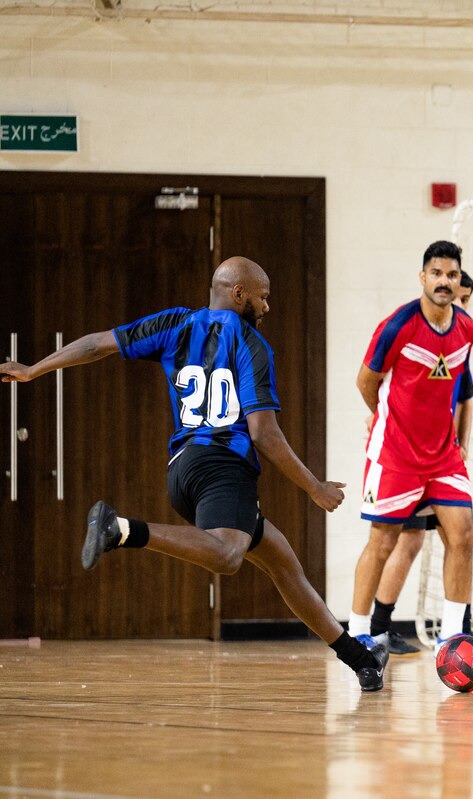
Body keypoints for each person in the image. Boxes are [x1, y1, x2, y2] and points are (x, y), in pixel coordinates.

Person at [0, 256, 390, 690]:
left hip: (183, 471)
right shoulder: (252, 344)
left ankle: (361, 659)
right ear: (239, 293)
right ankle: (122, 529)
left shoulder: (174, 324)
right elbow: (263, 432)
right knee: (227, 556)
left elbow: (96, 345)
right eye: (262, 298)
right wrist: (313, 487)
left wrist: (35, 369)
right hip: (224, 466)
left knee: (283, 564)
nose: (266, 308)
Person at [349, 241, 473, 651]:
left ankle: (453, 638)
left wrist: (459, 442)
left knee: (464, 534)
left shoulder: (467, 328)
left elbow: (461, 390)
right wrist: (386, 418)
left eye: (452, 275)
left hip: (443, 457)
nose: (444, 281)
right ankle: (356, 634)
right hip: (396, 456)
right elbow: (366, 382)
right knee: (383, 542)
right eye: (437, 274)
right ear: (423, 277)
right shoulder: (397, 326)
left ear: (459, 282)